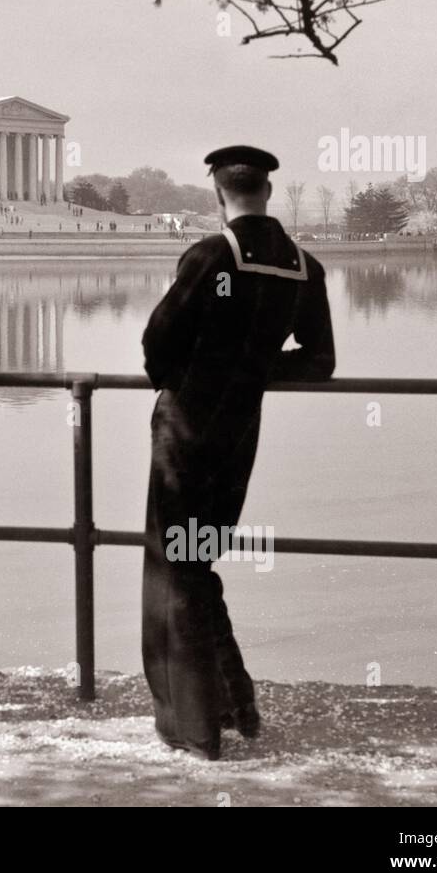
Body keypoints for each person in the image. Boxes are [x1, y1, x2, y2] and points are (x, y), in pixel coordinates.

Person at [140, 146, 335, 760]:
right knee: (197, 559)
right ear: (268, 193)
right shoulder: (305, 267)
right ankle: (233, 702)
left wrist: (199, 375)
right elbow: (319, 362)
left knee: (173, 566)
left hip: (186, 429)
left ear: (216, 193)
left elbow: (156, 342)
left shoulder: (208, 256)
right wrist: (252, 370)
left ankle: (193, 726)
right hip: (240, 432)